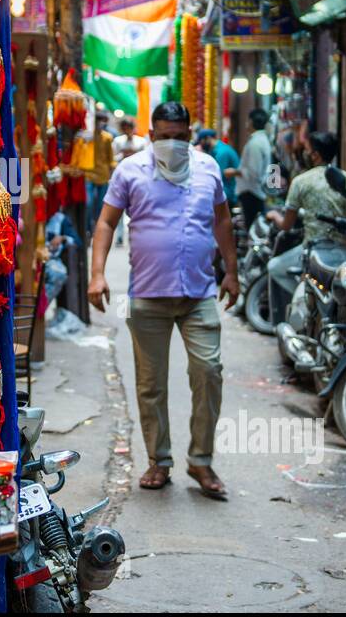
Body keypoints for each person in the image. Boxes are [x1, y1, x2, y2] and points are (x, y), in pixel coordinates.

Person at [88, 100, 239, 499]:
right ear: (151, 135)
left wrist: (233, 271)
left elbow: (222, 219)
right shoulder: (130, 170)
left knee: (208, 372)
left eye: (179, 136)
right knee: (151, 384)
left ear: (189, 135)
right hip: (148, 295)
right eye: (164, 136)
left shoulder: (208, 167)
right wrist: (98, 274)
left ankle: (201, 460)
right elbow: (106, 221)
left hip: (199, 292)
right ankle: (159, 460)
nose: (171, 143)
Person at [265, 131, 346, 324]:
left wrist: (274, 216)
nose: (306, 154)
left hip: (313, 252)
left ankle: (296, 310)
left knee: (275, 267)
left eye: (308, 150)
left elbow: (286, 225)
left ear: (316, 155)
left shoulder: (302, 181)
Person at [110, 116, 149, 246]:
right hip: (121, 179)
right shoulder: (117, 141)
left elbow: (146, 159)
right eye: (125, 128)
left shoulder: (141, 142)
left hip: (139, 179)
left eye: (129, 128)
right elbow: (112, 159)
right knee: (119, 209)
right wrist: (123, 155)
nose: (127, 131)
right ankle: (120, 236)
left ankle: (136, 235)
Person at [83, 107, 116, 237]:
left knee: (101, 206)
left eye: (103, 121)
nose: (101, 124)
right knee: (88, 203)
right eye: (99, 121)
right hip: (89, 174)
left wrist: (112, 171)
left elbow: (111, 158)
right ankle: (87, 228)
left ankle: (97, 230)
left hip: (103, 175)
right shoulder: (88, 137)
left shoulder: (107, 138)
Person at [237, 108, 272, 229]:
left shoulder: (255, 143)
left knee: (253, 229)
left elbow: (253, 172)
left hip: (252, 192)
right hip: (255, 191)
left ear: (251, 122)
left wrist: (235, 172)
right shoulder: (261, 140)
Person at [41, 209, 81, 305]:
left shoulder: (60, 219)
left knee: (59, 274)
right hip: (30, 260)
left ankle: (40, 308)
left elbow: (77, 242)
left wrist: (63, 238)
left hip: (50, 260)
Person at [196, 128, 240, 205]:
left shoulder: (221, 152)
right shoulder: (214, 151)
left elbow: (216, 177)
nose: (200, 145)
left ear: (208, 138)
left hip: (229, 194)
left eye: (201, 142)